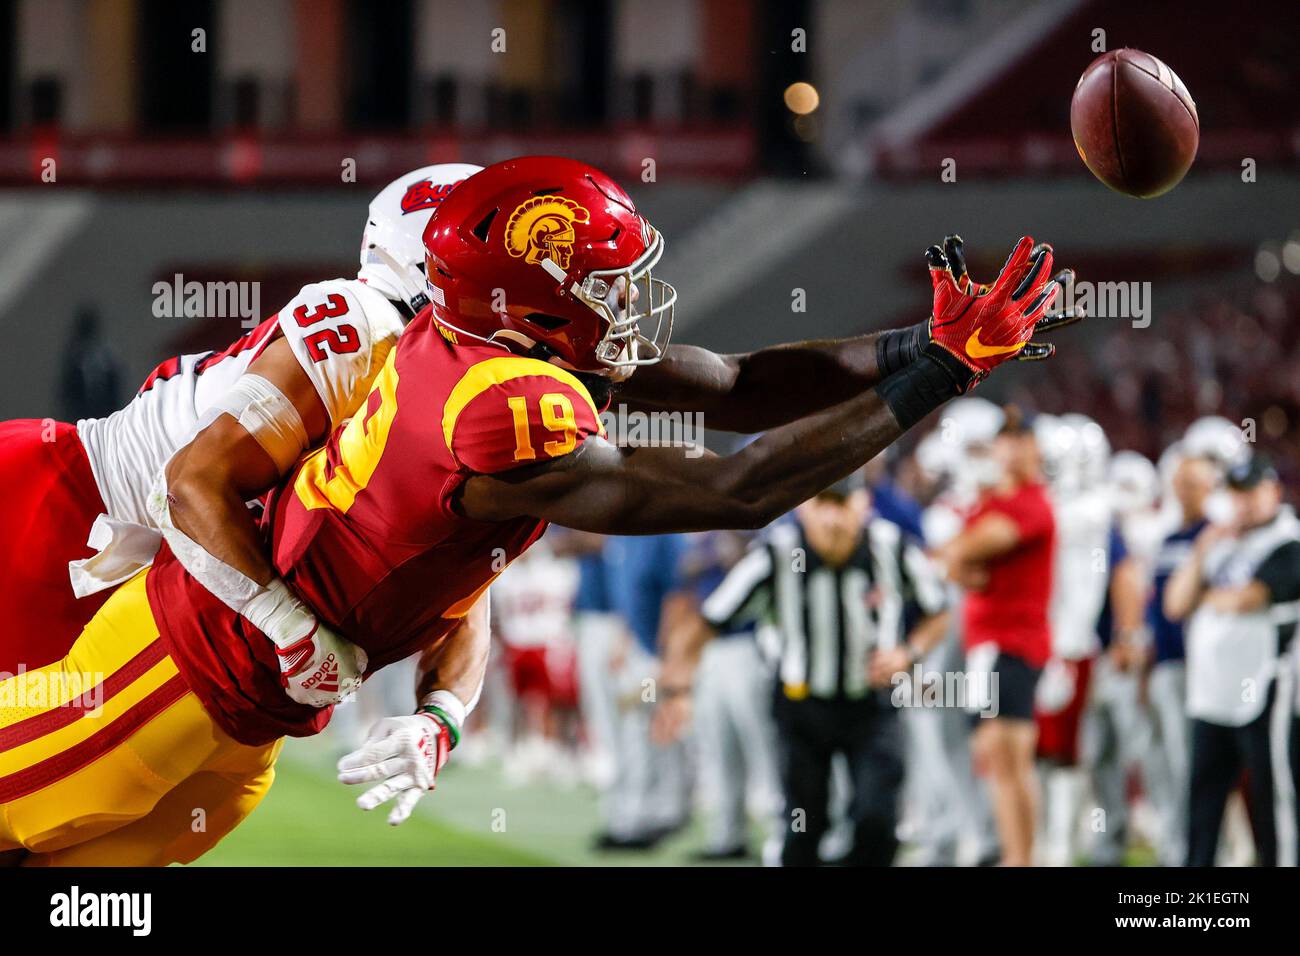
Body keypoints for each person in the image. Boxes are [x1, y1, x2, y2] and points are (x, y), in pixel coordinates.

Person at [0, 160, 1074, 865]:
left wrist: (915, 345)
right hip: (176, 667)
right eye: (606, 285)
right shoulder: (497, 408)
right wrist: (937, 379)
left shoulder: (492, 352)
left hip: (252, 718)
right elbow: (739, 484)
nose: (628, 305)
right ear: (528, 301)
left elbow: (738, 384)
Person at [660, 472, 951, 865]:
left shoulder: (892, 547)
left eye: (842, 505)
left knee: (877, 819)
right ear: (802, 508)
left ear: (863, 505)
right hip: (801, 708)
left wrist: (907, 653)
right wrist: (679, 690)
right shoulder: (777, 554)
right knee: (803, 824)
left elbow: (938, 612)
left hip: (873, 704)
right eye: (822, 505)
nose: (832, 519)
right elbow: (709, 620)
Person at [1165, 453, 1300, 867]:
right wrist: (1203, 549)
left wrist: (1207, 600)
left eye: (1253, 492)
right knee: (1202, 801)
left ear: (1273, 491)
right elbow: (1175, 603)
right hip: (1211, 694)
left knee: (1271, 796)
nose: (1244, 503)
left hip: (1264, 690)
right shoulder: (1219, 543)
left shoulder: (1288, 539)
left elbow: (1249, 598)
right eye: (1237, 494)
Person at [938, 407, 1054, 866]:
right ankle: (1016, 855)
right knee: (994, 756)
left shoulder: (1030, 501)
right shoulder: (990, 502)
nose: (1010, 448)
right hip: (987, 646)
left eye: (1020, 438)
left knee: (1009, 757)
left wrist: (960, 556)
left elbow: (964, 550)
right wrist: (959, 559)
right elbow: (957, 565)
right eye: (1004, 439)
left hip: (1013, 643)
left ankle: (1021, 858)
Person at [1143, 450, 1216, 865]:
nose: (1185, 492)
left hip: (1203, 666)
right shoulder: (1169, 539)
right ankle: (1179, 846)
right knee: (1170, 760)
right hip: (1168, 663)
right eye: (1181, 483)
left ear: (1209, 488)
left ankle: (1204, 850)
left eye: (1194, 484)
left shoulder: (1215, 535)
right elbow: (1156, 610)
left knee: (1198, 763)